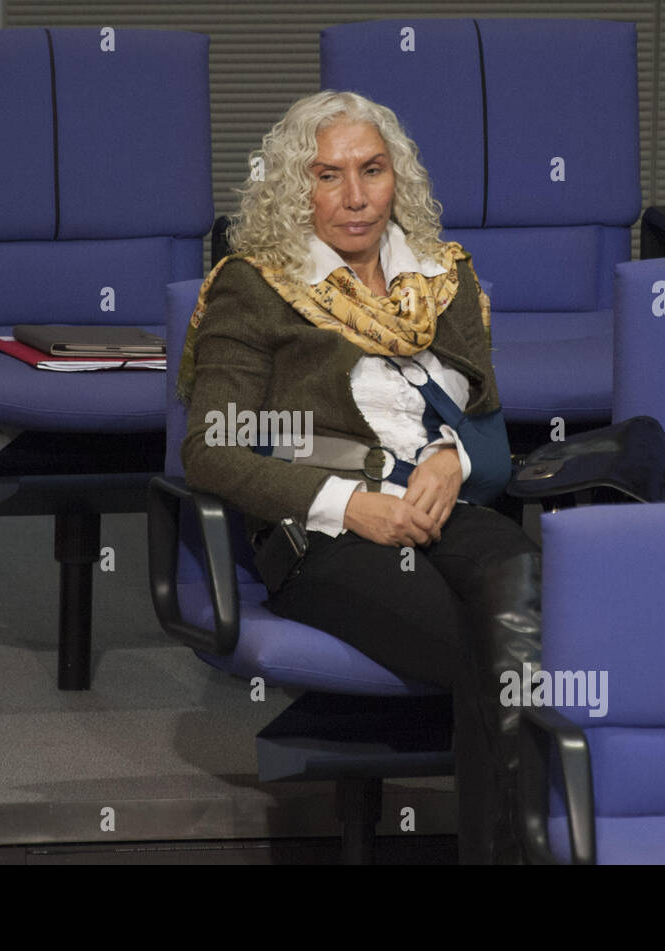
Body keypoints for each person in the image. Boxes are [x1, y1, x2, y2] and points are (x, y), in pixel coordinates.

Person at [177, 90, 542, 864]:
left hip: (446, 510)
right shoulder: (258, 285)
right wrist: (353, 506)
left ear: (396, 178)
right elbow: (211, 446)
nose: (354, 196)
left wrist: (456, 456)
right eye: (328, 175)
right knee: (503, 651)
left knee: (526, 590)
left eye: (371, 171)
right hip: (324, 531)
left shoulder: (440, 277)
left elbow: (488, 420)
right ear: (293, 187)